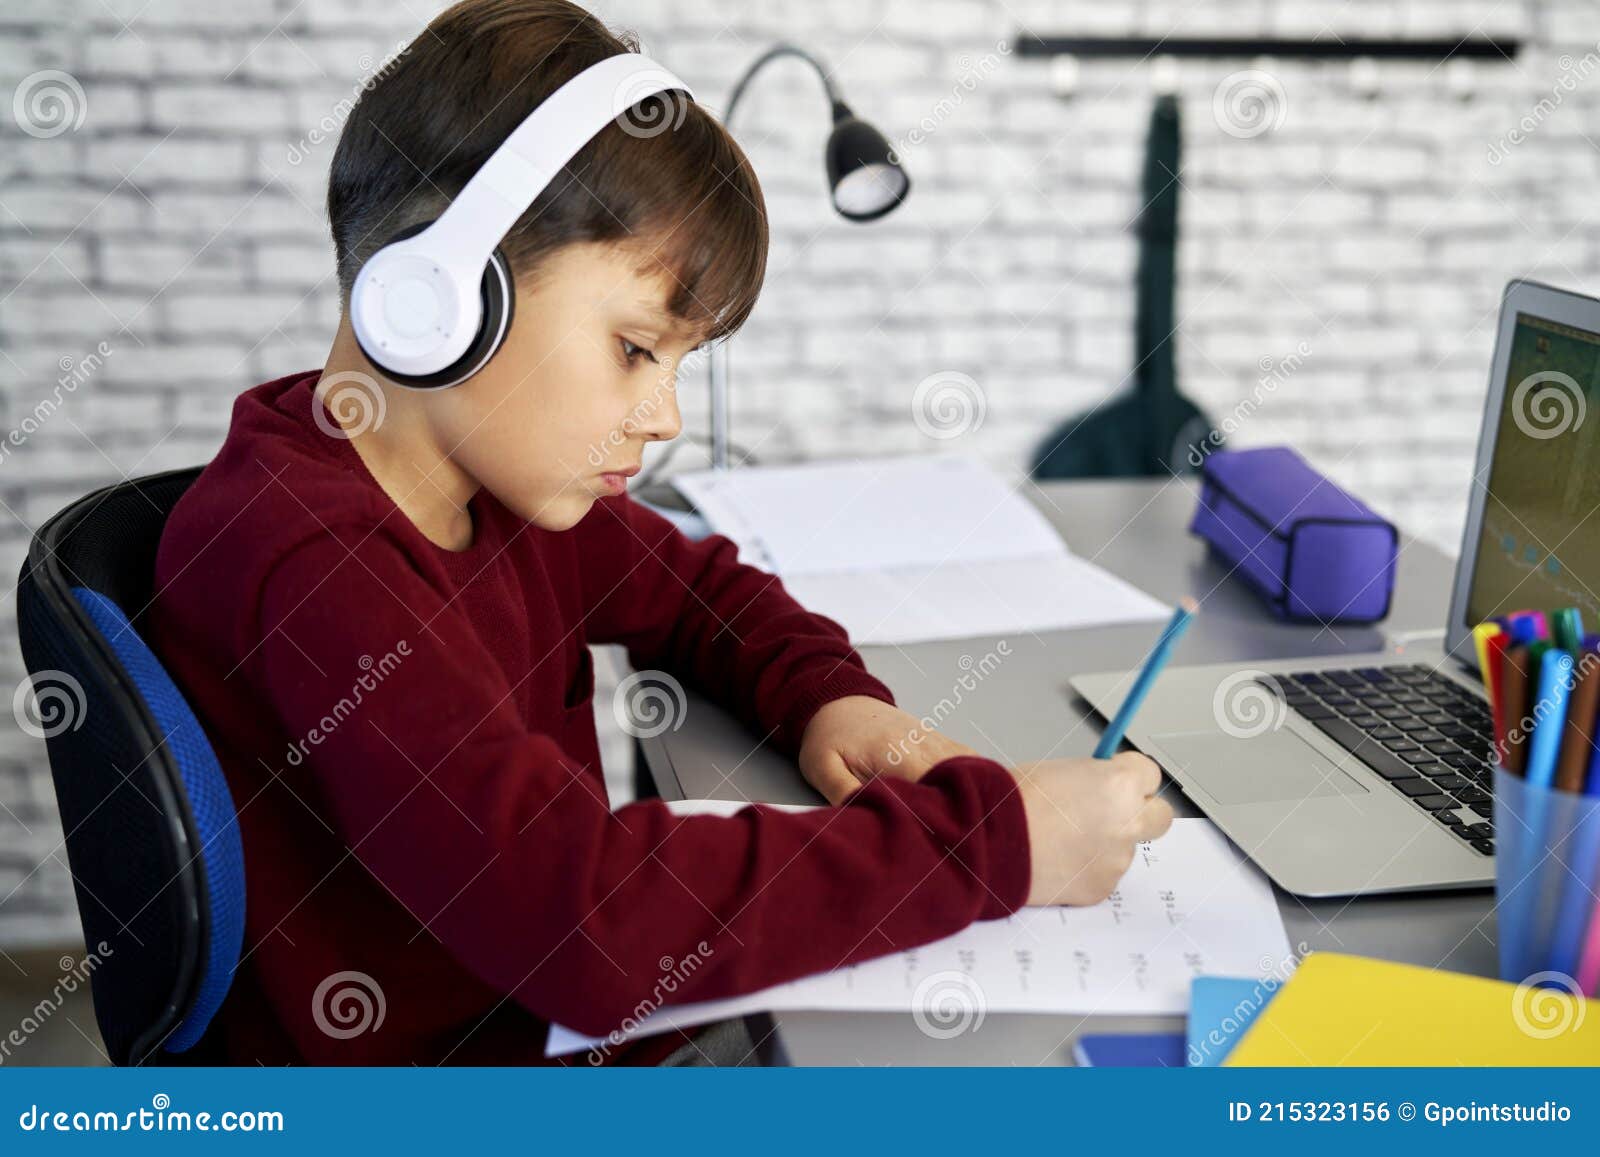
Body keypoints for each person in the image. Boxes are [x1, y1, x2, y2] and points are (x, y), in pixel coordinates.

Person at [147, 0, 1173, 1066]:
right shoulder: (317, 560)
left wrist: (830, 695)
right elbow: (583, 924)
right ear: (437, 297)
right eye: (637, 349)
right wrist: (997, 847)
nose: (665, 415)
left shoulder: (493, 482)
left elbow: (696, 592)